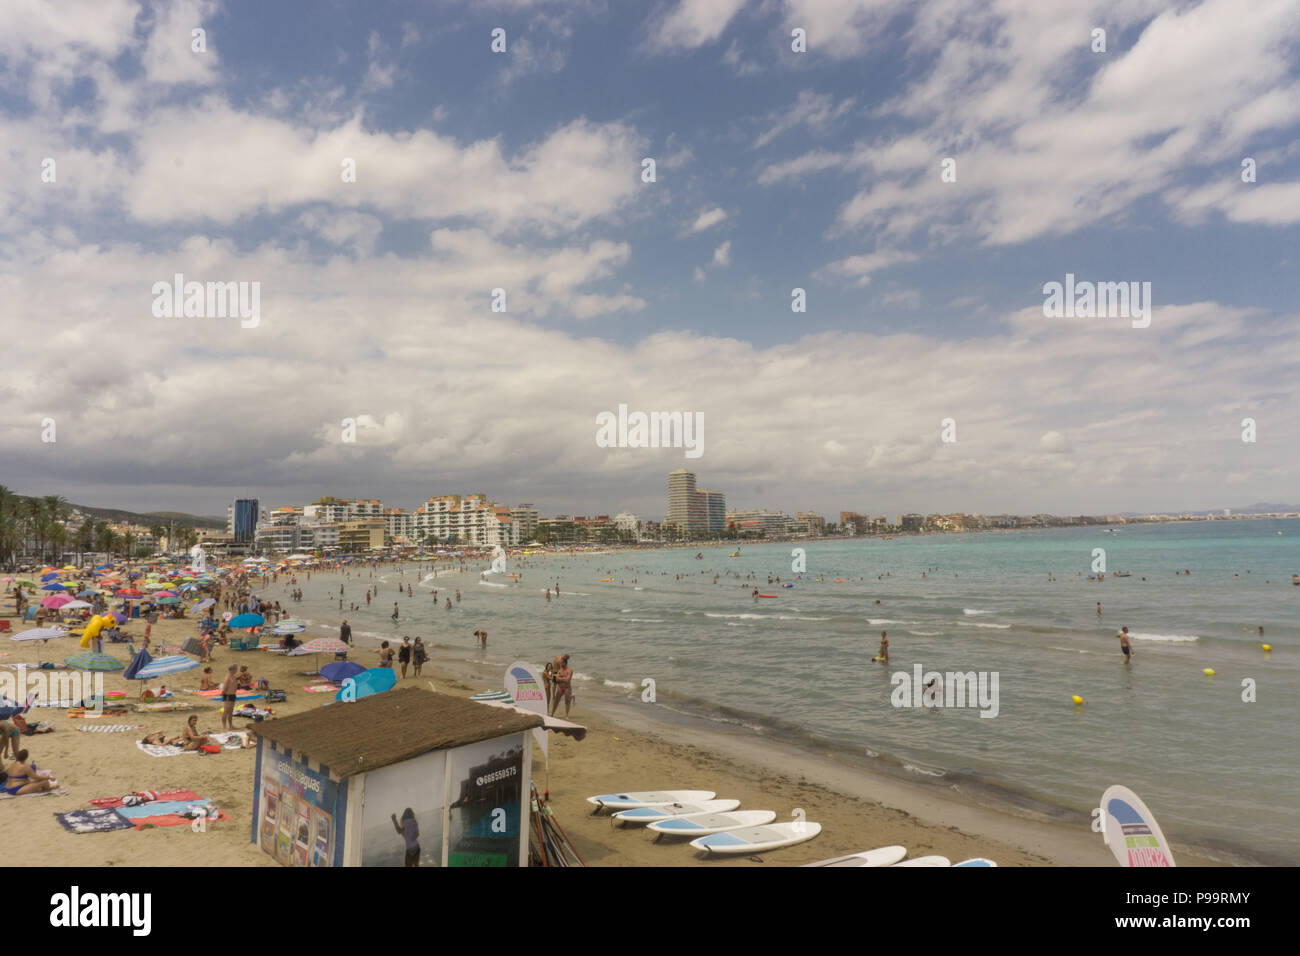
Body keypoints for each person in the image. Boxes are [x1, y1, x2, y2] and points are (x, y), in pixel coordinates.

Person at [220, 665, 239, 731]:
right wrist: (222, 694)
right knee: (226, 711)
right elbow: (225, 687)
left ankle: (231, 725)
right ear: (232, 670)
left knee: (231, 711)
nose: (237, 670)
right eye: (236, 669)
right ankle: (224, 726)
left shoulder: (233, 676)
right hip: (228, 695)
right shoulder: (227, 677)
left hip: (232, 695)